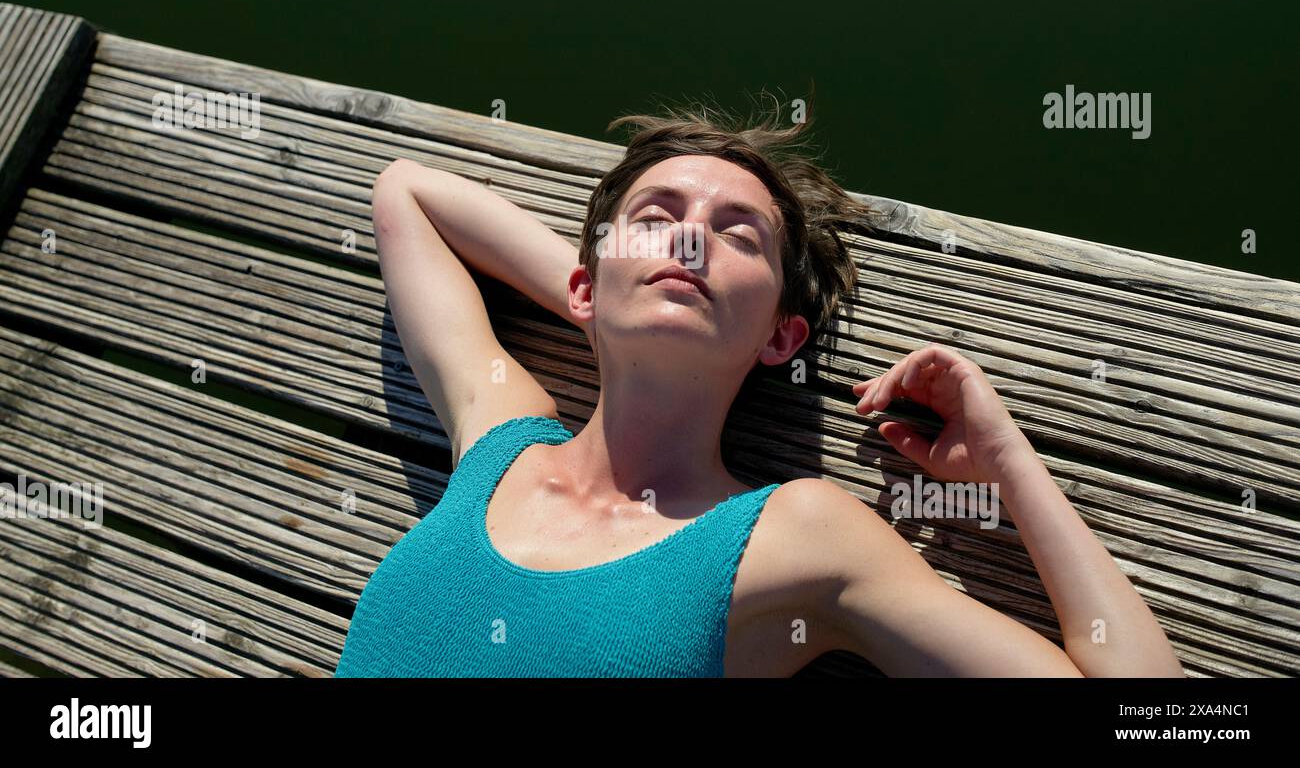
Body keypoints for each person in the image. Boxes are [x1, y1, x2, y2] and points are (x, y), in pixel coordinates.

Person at [333, 95, 1185, 677]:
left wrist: (1007, 462)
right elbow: (406, 192)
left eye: (736, 235)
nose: (692, 244)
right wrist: (605, 294)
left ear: (782, 336)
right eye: (659, 220)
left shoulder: (796, 536)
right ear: (583, 290)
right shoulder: (500, 429)